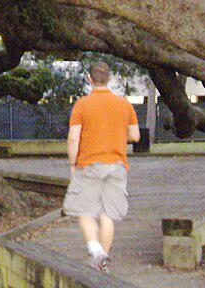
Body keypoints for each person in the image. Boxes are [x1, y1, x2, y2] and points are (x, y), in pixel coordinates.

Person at [63, 61, 140, 273]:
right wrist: (115, 133)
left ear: (90, 80)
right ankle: (102, 261)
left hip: (89, 164)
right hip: (117, 165)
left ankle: (96, 250)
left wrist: (72, 163)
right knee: (108, 214)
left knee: (85, 211)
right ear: (110, 79)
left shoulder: (82, 105)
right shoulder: (124, 105)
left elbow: (73, 139)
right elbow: (135, 135)